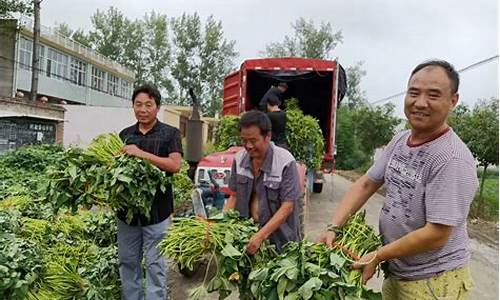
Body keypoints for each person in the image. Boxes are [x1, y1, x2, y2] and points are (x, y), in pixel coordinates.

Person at [318, 60, 477, 299]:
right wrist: (333, 226)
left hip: (434, 281)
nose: (420, 102)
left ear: (453, 100)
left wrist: (378, 255)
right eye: (414, 92)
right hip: (400, 271)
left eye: (433, 95)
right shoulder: (401, 140)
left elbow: (437, 233)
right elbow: (366, 183)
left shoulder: (451, 158)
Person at [118, 84, 183, 300]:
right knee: (128, 262)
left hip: (157, 212)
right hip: (127, 214)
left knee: (156, 265)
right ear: (133, 107)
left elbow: (175, 165)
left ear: (157, 107)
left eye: (148, 104)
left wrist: (140, 154)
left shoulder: (170, 134)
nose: (143, 109)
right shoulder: (125, 134)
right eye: (138, 104)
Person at [224, 110, 301, 253]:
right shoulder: (239, 159)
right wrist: (220, 225)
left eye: (253, 140)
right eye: (244, 140)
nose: (248, 146)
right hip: (247, 236)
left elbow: (287, 206)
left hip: (280, 242)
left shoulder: (285, 161)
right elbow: (234, 196)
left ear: (268, 136)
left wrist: (260, 236)